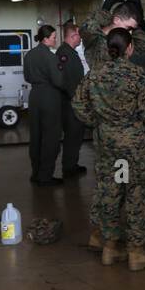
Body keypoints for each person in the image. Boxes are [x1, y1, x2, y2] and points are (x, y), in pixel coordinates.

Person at [72, 27, 145, 271]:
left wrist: (97, 122)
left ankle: (110, 247)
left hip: (107, 143)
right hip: (134, 144)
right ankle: (136, 251)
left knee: (110, 191)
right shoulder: (137, 75)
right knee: (136, 195)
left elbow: (78, 103)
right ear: (130, 48)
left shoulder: (95, 74)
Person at [24, 24, 63, 186]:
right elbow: (58, 80)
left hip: (34, 97)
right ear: (45, 39)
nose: (55, 40)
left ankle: (36, 173)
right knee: (51, 138)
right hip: (49, 97)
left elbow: (27, 77)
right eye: (54, 37)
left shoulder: (29, 55)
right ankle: (45, 176)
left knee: (36, 137)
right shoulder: (50, 56)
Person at [55, 23, 88, 179]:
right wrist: (77, 99)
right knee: (72, 135)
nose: (80, 38)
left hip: (75, 101)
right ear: (73, 35)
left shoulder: (71, 53)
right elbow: (65, 81)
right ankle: (68, 168)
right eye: (79, 35)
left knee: (76, 135)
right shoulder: (64, 54)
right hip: (70, 104)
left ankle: (72, 164)